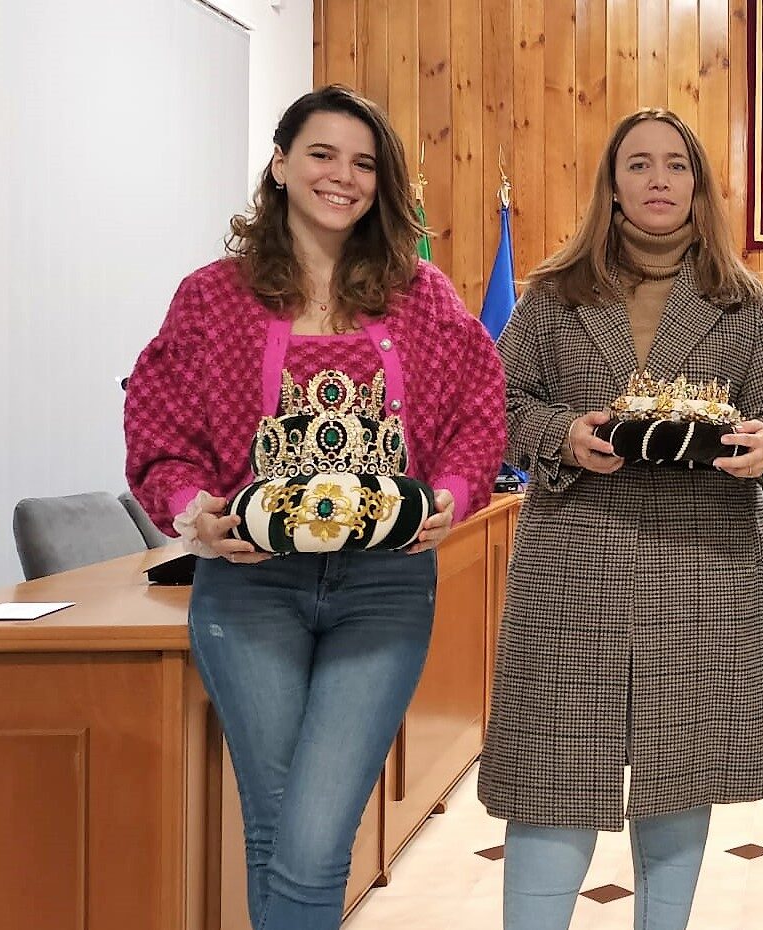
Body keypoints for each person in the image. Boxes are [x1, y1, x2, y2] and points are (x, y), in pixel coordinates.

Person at [124, 84, 506, 930]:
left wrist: (451, 494)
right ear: (280, 164)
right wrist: (192, 509)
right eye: (322, 154)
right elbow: (158, 421)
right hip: (248, 589)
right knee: (275, 829)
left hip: (384, 589)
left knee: (313, 836)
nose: (343, 176)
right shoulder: (210, 297)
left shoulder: (422, 295)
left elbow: (480, 412)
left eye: (364, 163)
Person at [477, 106, 763, 930]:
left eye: (675, 164)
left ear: (697, 184)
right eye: (638, 164)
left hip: (705, 561)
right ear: (613, 185)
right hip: (574, 562)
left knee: (678, 772)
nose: (658, 179)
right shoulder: (552, 295)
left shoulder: (740, 300)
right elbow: (498, 403)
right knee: (553, 774)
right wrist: (561, 433)